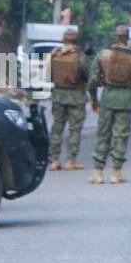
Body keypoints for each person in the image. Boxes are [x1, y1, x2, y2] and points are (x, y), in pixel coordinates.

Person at [87, 25, 131, 184]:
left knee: (103, 135)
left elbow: (92, 81)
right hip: (126, 100)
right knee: (121, 136)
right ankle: (116, 173)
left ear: (114, 37)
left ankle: (98, 172)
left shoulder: (103, 55)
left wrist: (94, 100)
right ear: (128, 37)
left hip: (107, 98)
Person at [46, 27, 91, 171]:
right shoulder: (80, 56)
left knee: (56, 128)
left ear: (63, 39)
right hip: (76, 97)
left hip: (58, 96)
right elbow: (88, 75)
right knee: (75, 130)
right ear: (76, 40)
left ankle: (53, 160)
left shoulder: (54, 55)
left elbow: (48, 75)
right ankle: (71, 161)